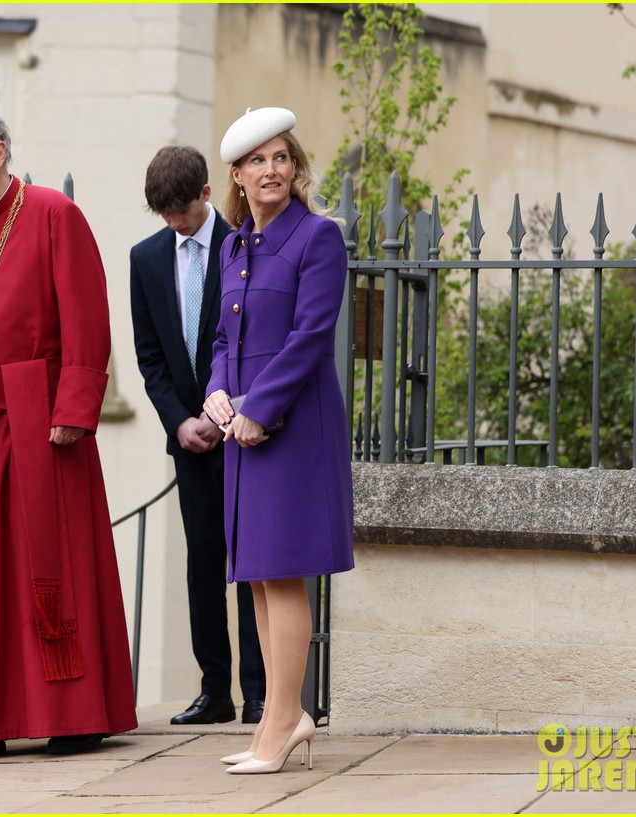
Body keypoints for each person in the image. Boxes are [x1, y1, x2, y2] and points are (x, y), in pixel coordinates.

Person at [0, 103, 137, 762]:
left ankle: (72, 715)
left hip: (44, 420)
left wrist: (75, 405)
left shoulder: (52, 215)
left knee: (52, 566)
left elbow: (87, 318)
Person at [202, 107, 354, 775]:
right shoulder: (236, 245)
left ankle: (285, 718)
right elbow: (221, 339)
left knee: (283, 571)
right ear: (236, 175)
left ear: (296, 168)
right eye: (258, 161)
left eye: (282, 158)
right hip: (243, 431)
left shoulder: (318, 238)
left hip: (292, 428)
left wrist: (260, 407)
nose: (272, 170)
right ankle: (280, 718)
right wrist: (215, 391)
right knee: (259, 576)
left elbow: (311, 337)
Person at [128, 146, 266, 726]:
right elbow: (150, 356)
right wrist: (179, 421)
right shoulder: (146, 258)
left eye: (181, 212)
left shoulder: (245, 244)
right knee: (202, 562)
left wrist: (224, 414)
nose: (174, 224)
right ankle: (215, 690)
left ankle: (260, 692)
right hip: (187, 438)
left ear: (207, 195)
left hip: (244, 433)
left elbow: (251, 339)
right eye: (164, 215)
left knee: (252, 563)